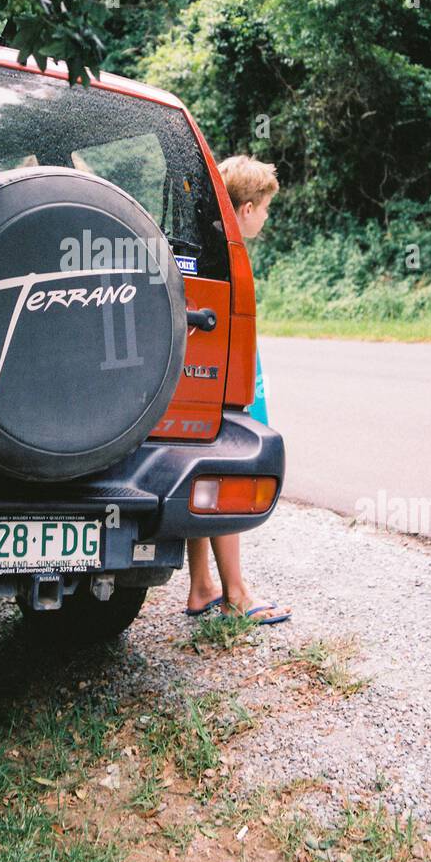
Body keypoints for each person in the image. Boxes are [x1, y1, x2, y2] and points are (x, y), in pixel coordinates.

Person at [183, 154, 291, 626]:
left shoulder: (200, 246)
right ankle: (237, 593)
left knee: (196, 467)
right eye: (265, 208)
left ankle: (201, 586)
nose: (266, 218)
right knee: (226, 467)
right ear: (245, 209)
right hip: (227, 374)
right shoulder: (230, 256)